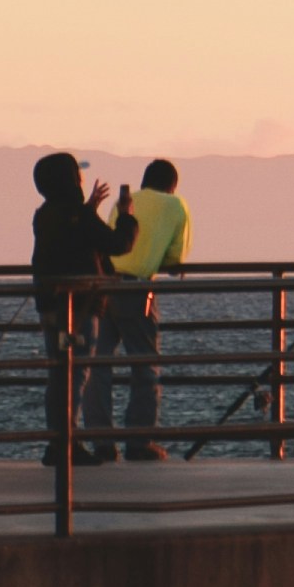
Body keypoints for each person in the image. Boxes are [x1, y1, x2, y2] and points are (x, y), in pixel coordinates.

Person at [28, 152, 131, 465]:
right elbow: (117, 244)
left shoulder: (45, 213)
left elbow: (69, 237)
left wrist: (89, 210)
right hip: (80, 306)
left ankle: (57, 442)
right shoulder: (77, 214)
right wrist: (125, 215)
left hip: (50, 305)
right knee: (76, 373)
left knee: (58, 375)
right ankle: (66, 445)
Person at [101, 156, 191, 460]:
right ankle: (139, 442)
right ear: (171, 185)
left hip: (101, 286)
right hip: (136, 290)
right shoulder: (175, 205)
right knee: (144, 366)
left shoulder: (123, 202)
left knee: (97, 367)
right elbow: (175, 258)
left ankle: (100, 441)